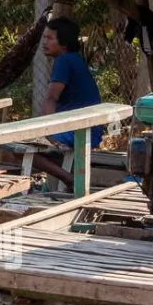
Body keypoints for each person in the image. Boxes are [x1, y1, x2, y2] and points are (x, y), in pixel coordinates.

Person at [32, 16, 103, 189]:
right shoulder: (73, 59)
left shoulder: (64, 61)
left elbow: (51, 98)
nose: (44, 42)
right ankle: (68, 175)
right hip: (87, 128)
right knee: (32, 144)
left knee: (17, 147)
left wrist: (47, 130)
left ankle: (69, 179)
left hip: (78, 130)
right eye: (44, 37)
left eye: (50, 38)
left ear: (64, 43)